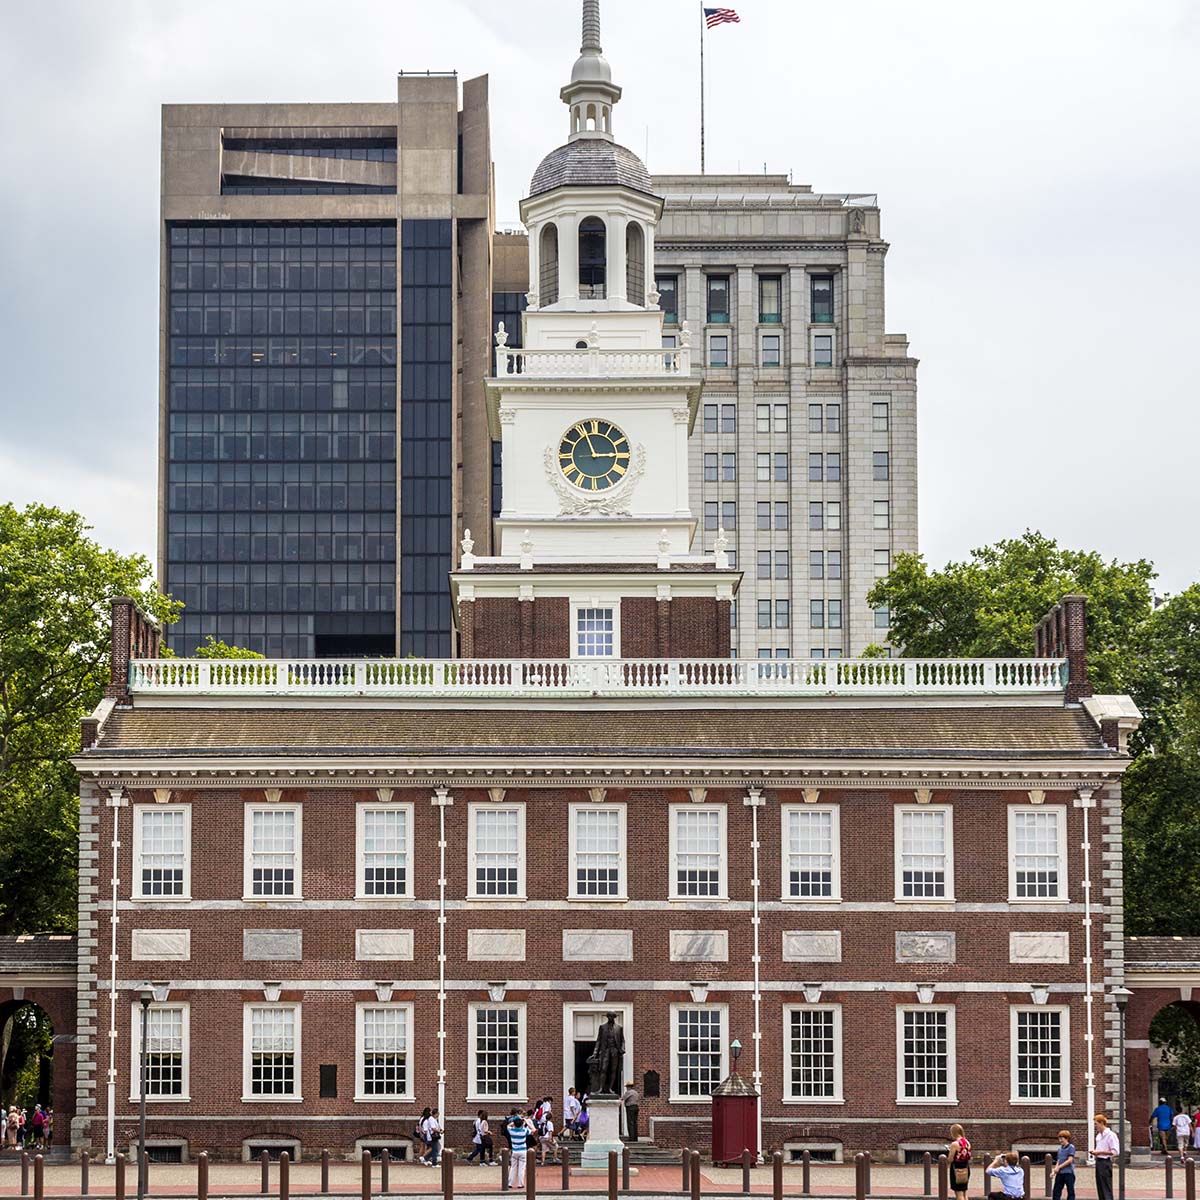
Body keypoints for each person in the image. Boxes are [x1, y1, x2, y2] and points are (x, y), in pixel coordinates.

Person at [1093, 1114, 1119, 1200]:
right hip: (1099, 1161)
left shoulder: (1110, 1135)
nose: (1095, 1126)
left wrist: (1100, 1152)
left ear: (1101, 1123)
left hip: (1105, 1162)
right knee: (1100, 1186)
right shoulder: (1099, 1136)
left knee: (1106, 1186)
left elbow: (1115, 1151)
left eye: (1096, 1124)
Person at [506, 1109, 534, 1189]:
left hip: (514, 1151)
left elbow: (508, 1126)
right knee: (521, 1168)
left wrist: (515, 1121)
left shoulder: (511, 1131)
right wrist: (526, 1121)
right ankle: (520, 1184)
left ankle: (510, 1183)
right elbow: (533, 1130)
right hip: (523, 1151)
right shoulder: (524, 1131)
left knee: (513, 1167)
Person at [947, 1124, 971, 1200]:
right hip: (966, 1167)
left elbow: (950, 1159)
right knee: (964, 1191)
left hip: (956, 1168)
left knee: (959, 1193)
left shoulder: (954, 1144)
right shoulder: (967, 1142)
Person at [1050, 1130, 1075, 1200]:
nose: (1060, 1140)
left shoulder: (1071, 1147)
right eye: (1059, 1138)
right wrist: (1054, 1171)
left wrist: (1059, 1167)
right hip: (1060, 1173)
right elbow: (1059, 1160)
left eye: (1062, 1138)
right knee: (1056, 1191)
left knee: (1070, 1191)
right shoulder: (1060, 1149)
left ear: (1066, 1138)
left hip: (1068, 1173)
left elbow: (1070, 1160)